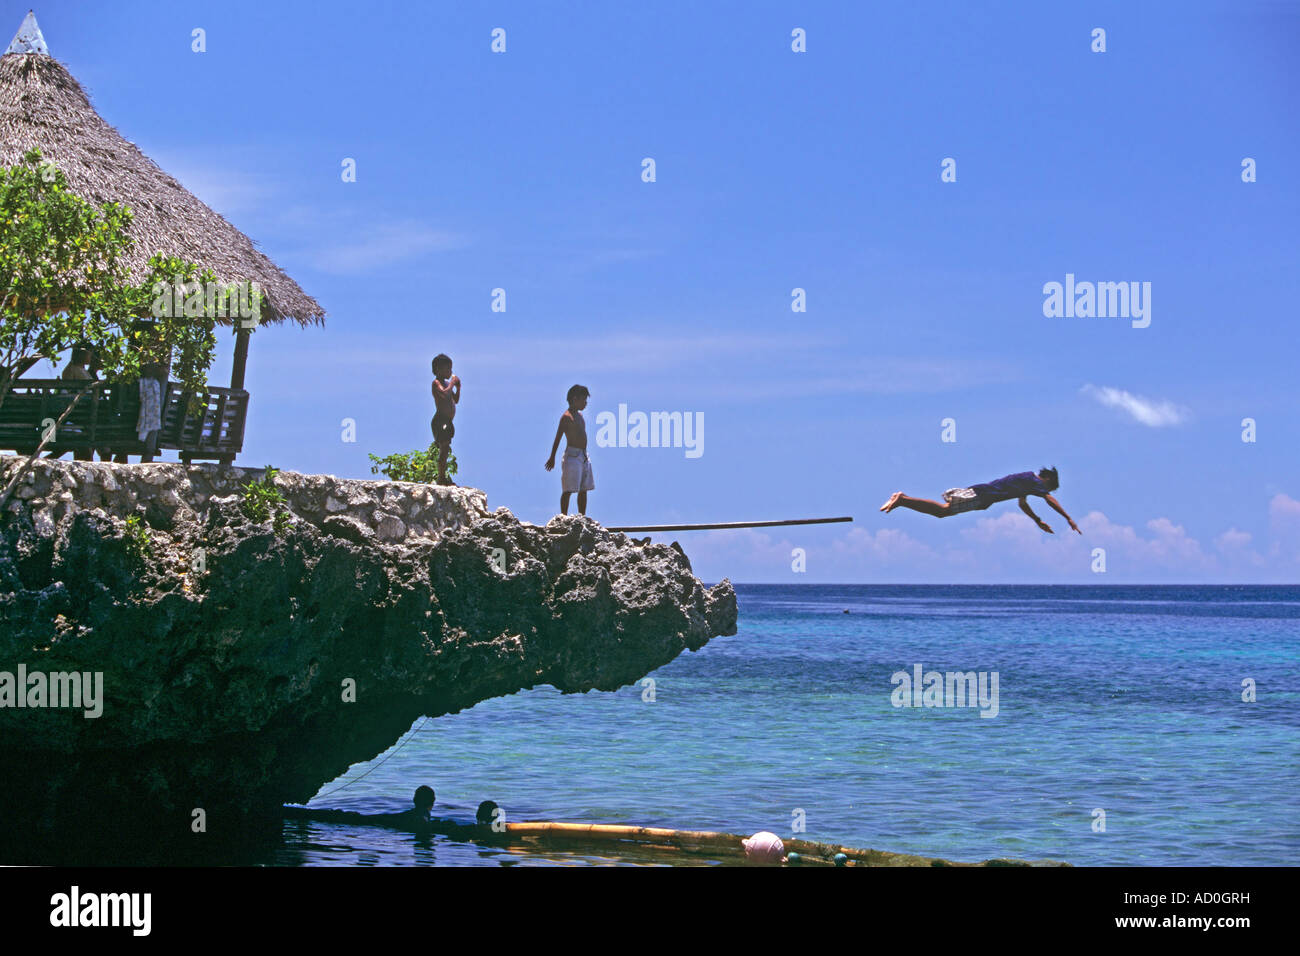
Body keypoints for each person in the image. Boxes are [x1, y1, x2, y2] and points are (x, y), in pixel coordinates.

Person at [880, 466, 1081, 535]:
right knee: (943, 511)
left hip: (982, 496)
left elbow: (1023, 504)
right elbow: (1049, 500)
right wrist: (1068, 518)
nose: (1046, 490)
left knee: (943, 512)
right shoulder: (1033, 481)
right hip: (982, 495)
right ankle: (902, 499)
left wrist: (1037, 521)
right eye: (1048, 487)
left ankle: (902, 500)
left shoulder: (1027, 482)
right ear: (1046, 480)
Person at [545, 384, 594, 516]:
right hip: (572, 456)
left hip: (583, 455)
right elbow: (558, 438)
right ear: (575, 399)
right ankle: (563, 517)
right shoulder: (566, 417)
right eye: (583, 400)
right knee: (568, 489)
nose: (585, 403)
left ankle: (582, 517)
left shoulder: (580, 416)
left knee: (584, 488)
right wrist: (552, 457)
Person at [430, 354, 460, 486]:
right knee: (444, 448)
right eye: (447, 369)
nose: (450, 372)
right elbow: (444, 395)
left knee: (446, 449)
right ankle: (441, 477)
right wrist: (453, 383)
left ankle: (443, 476)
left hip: (448, 421)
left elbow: (455, 399)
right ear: (438, 369)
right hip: (440, 420)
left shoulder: (447, 384)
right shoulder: (436, 383)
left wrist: (458, 387)